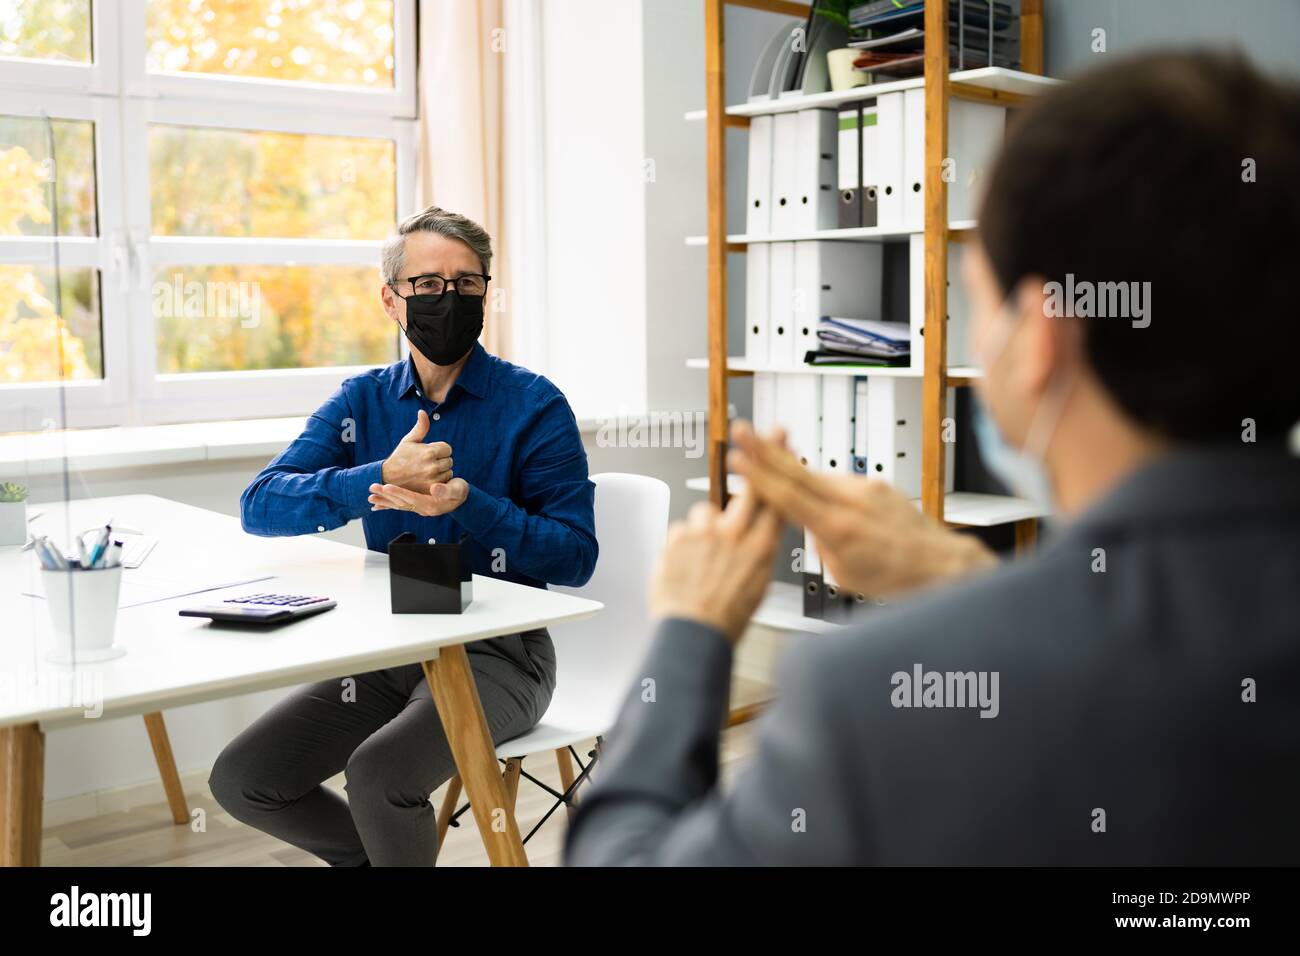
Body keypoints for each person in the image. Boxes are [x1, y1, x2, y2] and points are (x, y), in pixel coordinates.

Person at [565, 50, 1300, 866]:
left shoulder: (871, 696)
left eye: (974, 298)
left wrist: (690, 633)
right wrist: (960, 578)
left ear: (1040, 340)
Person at [210, 206, 597, 866]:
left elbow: (575, 556)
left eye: (466, 283)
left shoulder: (534, 405)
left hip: (500, 655)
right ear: (392, 300)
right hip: (394, 649)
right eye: (426, 285)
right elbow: (260, 505)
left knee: (382, 776)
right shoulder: (362, 403)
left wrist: (469, 503)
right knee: (246, 779)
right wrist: (374, 476)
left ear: (486, 292)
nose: (448, 298)